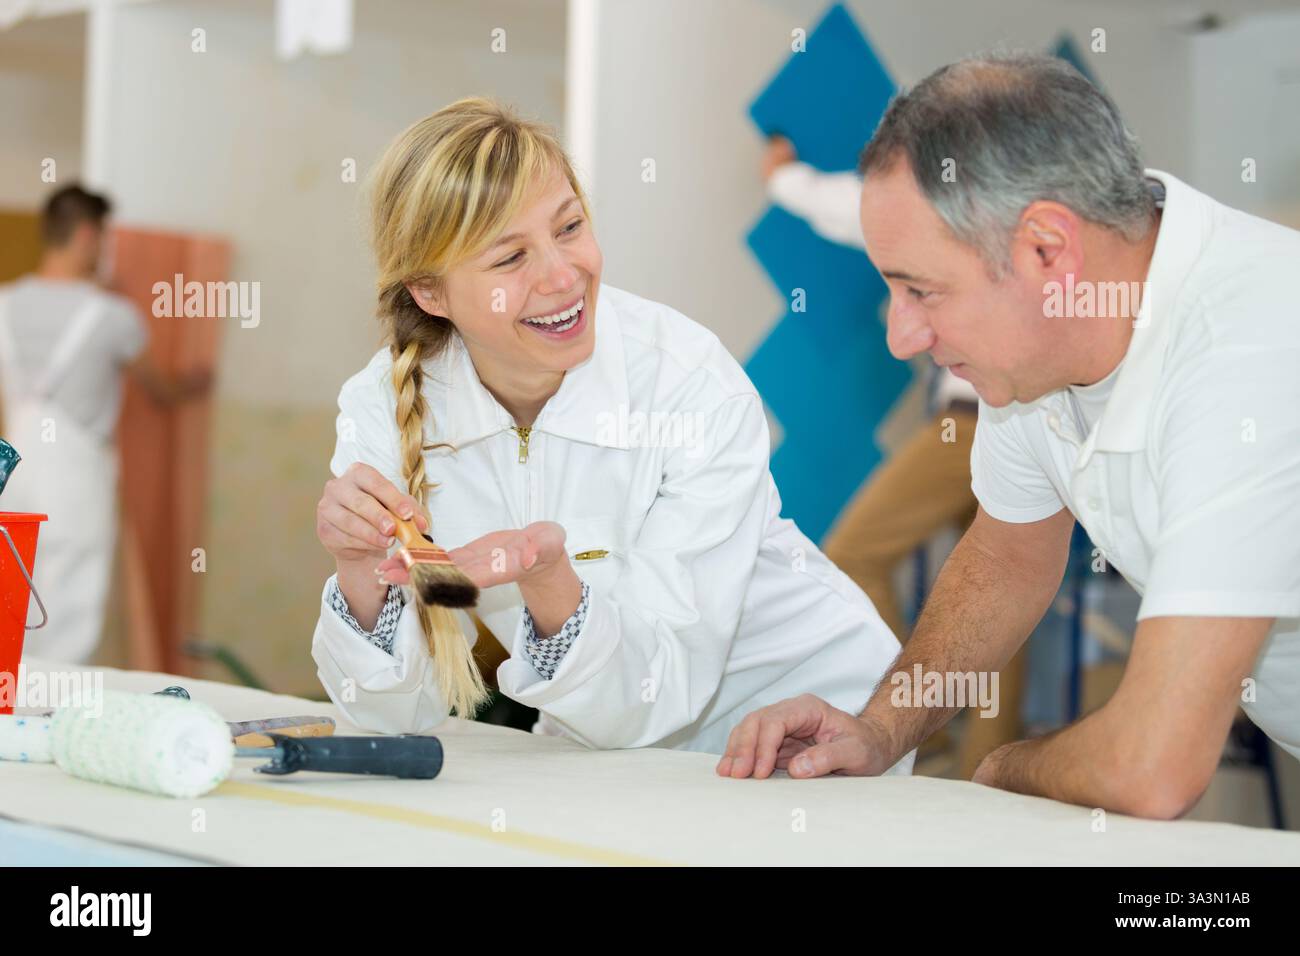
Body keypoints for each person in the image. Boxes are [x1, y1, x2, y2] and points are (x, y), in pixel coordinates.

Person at [719, 52, 1300, 819]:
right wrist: (881, 730)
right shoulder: (1038, 351)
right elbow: (1008, 554)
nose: (901, 335)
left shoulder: (1250, 343)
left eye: (921, 290)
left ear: (1047, 251)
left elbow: (1149, 766)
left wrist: (998, 773)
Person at [311, 97, 909, 762]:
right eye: (511, 259)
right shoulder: (385, 409)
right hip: (612, 744)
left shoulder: (687, 383)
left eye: (569, 227)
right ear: (430, 293)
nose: (564, 276)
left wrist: (548, 585)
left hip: (818, 722)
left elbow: (663, 689)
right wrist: (359, 570)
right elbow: (392, 717)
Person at [761, 136, 1025, 777]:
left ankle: (913, 726)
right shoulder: (1015, 201)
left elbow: (857, 209)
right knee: (1011, 595)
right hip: (1018, 421)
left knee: (856, 553)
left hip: (973, 425)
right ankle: (982, 763)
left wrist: (783, 179)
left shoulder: (946, 205)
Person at [0, 184, 210, 664]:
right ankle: (51, 716)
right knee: (70, 598)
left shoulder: (4, 304)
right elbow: (162, 391)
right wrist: (193, 385)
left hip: (11, 472)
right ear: (87, 235)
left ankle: (5, 713)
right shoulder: (114, 316)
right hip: (74, 478)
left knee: (10, 590)